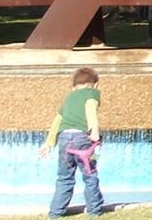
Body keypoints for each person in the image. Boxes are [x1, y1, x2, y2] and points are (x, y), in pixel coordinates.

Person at [41, 66, 106, 218]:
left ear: (73, 86)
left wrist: (49, 143)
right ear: (96, 84)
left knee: (64, 177)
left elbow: (57, 120)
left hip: (64, 139)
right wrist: (94, 129)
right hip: (83, 139)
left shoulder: (69, 97)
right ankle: (94, 210)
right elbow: (90, 108)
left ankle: (56, 212)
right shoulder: (92, 93)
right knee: (90, 173)